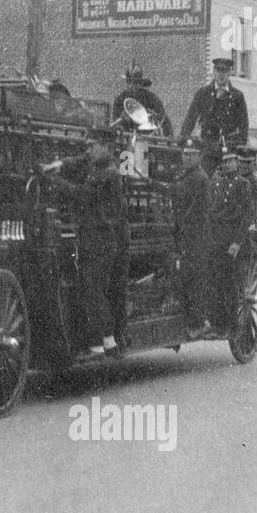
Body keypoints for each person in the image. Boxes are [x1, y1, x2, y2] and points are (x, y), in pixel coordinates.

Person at [41, 135, 125, 355]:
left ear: (106, 147)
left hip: (100, 240)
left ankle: (107, 340)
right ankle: (99, 341)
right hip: (93, 238)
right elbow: (80, 160)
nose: (89, 151)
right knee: (91, 289)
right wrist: (59, 164)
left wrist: (56, 182)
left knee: (94, 290)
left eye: (94, 146)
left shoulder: (108, 174)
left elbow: (82, 195)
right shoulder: (99, 163)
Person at [206, 149, 254, 329]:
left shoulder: (243, 185)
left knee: (230, 282)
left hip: (232, 238)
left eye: (230, 161)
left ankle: (232, 324)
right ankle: (216, 321)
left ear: (236, 163)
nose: (227, 164)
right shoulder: (216, 183)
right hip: (216, 236)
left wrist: (237, 242)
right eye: (224, 162)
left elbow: (246, 216)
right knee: (215, 281)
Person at [180, 57, 249, 172]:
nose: (221, 75)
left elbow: (244, 125)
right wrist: (184, 137)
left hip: (229, 148)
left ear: (230, 73)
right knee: (206, 179)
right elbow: (190, 118)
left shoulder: (237, 96)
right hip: (208, 147)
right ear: (214, 72)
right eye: (219, 71)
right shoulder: (203, 93)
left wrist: (238, 146)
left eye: (225, 71)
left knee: (229, 181)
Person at [173, 137, 212, 337]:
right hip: (187, 236)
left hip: (196, 238)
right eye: (185, 154)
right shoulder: (186, 175)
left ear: (198, 156)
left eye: (191, 155)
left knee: (195, 280)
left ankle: (199, 322)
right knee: (187, 279)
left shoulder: (199, 178)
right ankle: (193, 320)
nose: (187, 158)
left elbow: (193, 207)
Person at [112, 64, 172, 136]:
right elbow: (115, 121)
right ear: (127, 83)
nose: (132, 86)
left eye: (136, 83)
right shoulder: (120, 100)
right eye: (129, 82)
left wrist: (154, 116)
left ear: (141, 83)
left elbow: (163, 119)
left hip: (148, 137)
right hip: (126, 136)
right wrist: (122, 119)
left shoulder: (151, 98)